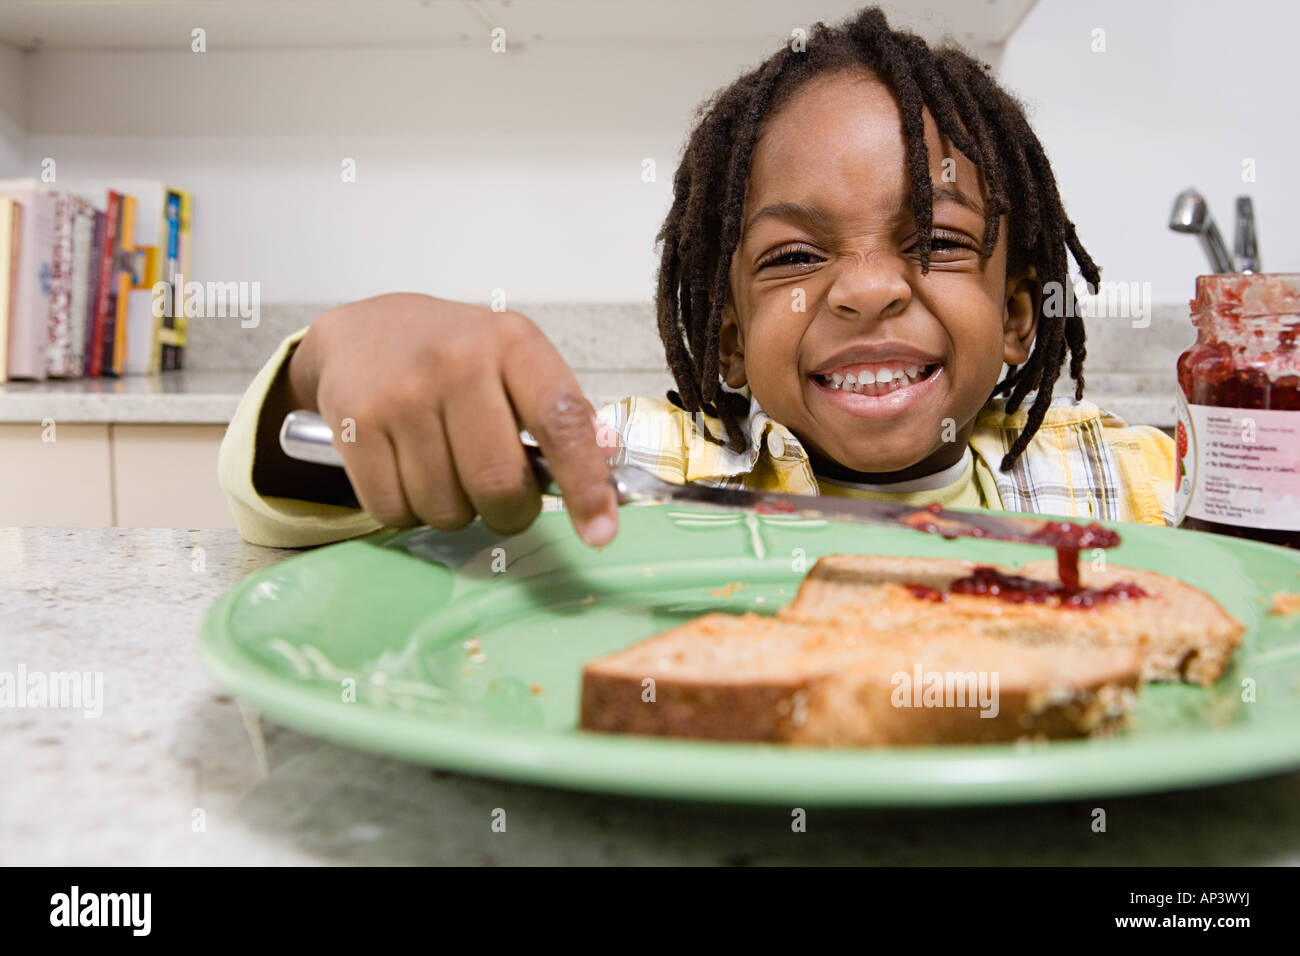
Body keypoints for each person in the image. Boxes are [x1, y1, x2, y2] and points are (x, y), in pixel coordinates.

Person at [218, 5, 1174, 550]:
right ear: (727, 338)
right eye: (796, 258)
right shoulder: (633, 472)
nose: (868, 290)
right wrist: (332, 364)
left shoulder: (1116, 479)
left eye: (936, 243)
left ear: (1017, 315)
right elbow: (296, 496)